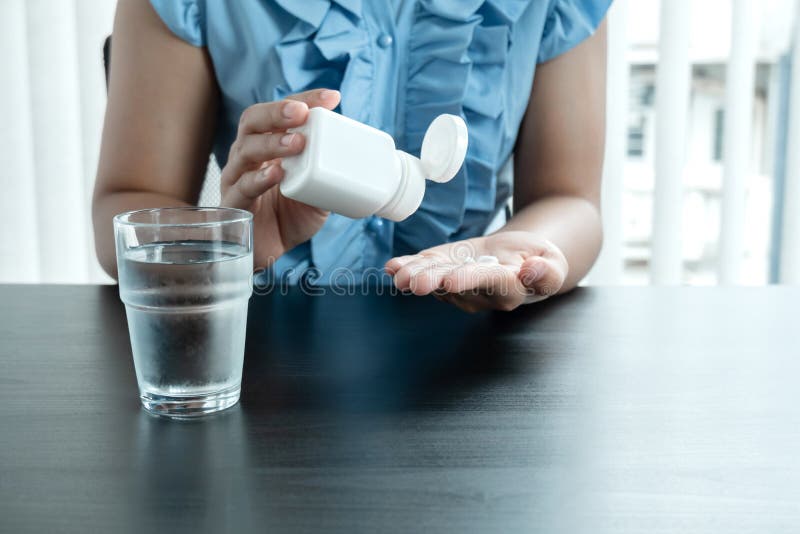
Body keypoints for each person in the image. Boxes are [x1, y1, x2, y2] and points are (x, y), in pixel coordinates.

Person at [93, 0, 609, 312]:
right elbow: (125, 204)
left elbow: (571, 200)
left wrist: (521, 257)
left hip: (472, 361)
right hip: (257, 351)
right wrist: (229, 246)